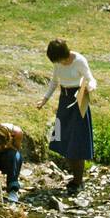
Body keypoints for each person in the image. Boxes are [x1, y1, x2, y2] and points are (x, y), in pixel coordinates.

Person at [38, 39, 96, 193]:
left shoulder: (79, 60)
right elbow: (54, 82)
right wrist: (44, 99)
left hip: (79, 100)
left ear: (65, 53)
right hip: (64, 101)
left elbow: (91, 79)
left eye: (60, 60)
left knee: (77, 142)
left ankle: (78, 181)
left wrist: (90, 87)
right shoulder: (58, 62)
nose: (59, 63)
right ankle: (74, 177)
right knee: (63, 138)